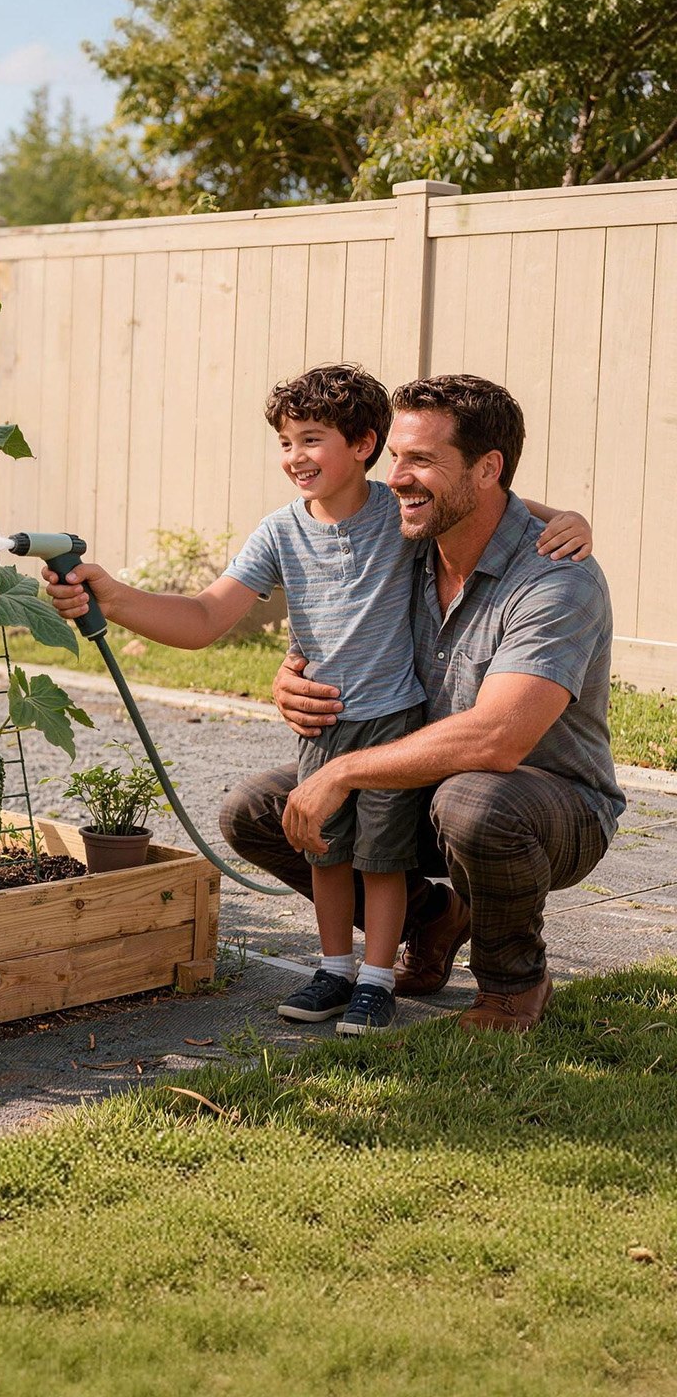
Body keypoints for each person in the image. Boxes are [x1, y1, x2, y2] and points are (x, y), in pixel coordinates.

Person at [42, 365, 596, 1036]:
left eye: (419, 459)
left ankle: (511, 985)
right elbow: (210, 616)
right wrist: (114, 597)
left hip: (540, 799)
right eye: (399, 458)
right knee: (260, 812)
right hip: (406, 761)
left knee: (472, 803)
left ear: (487, 470)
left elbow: (498, 740)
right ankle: (429, 921)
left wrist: (566, 516)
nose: (399, 479)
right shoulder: (413, 529)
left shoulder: (551, 577)